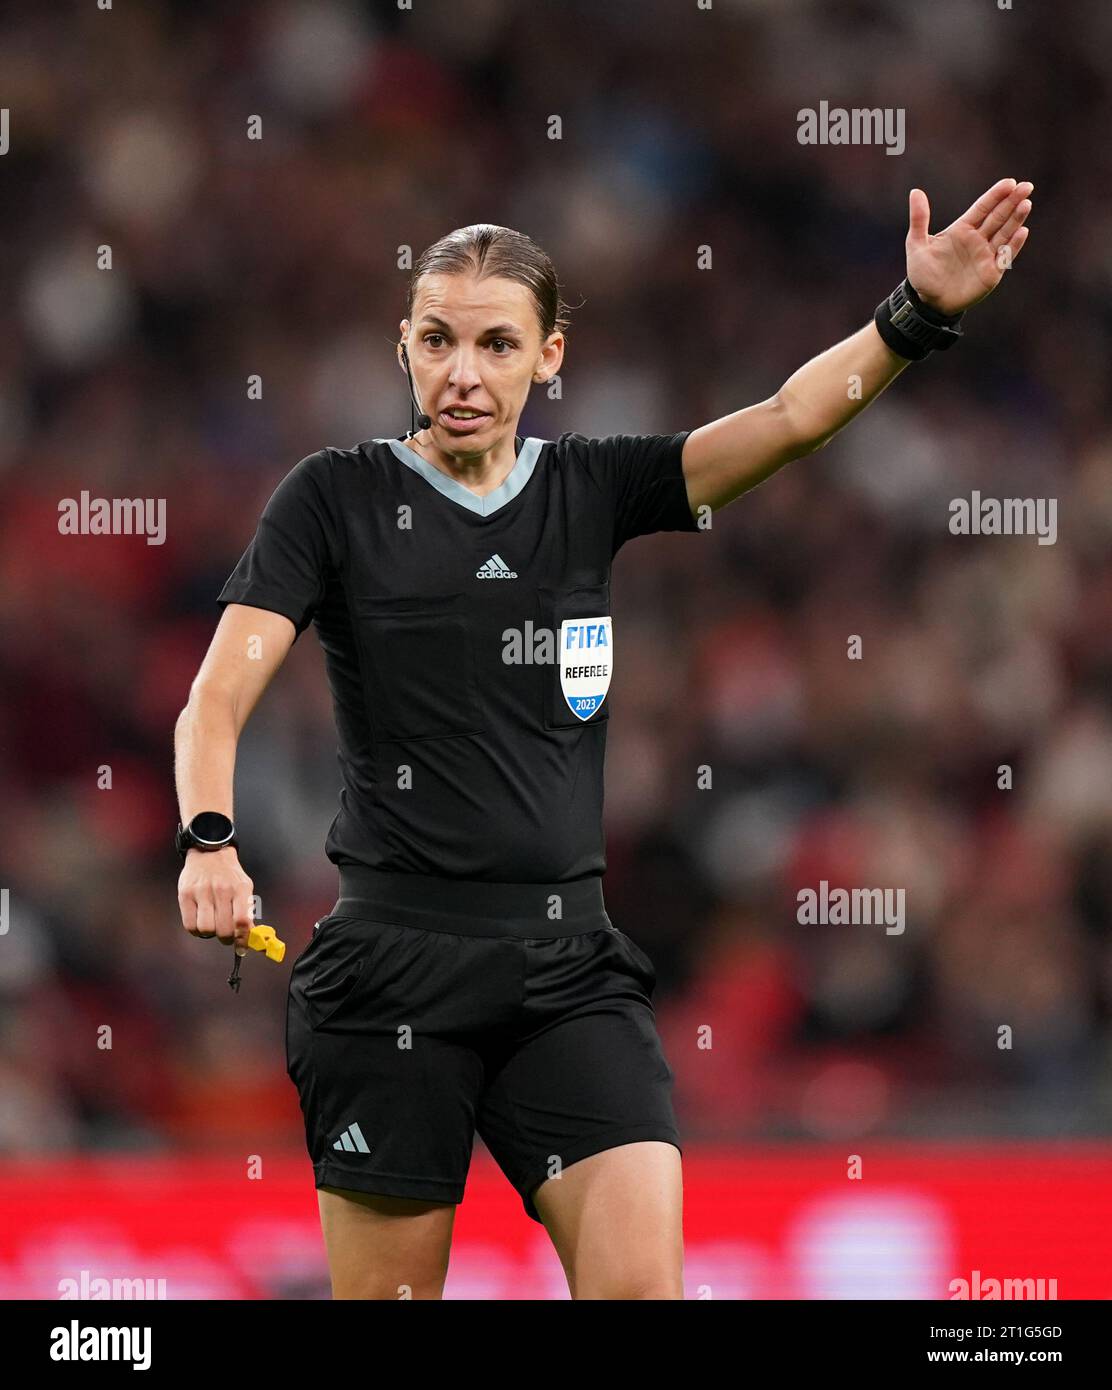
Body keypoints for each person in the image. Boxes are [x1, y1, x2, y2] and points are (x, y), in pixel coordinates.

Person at [174, 182, 1033, 1300]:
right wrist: (207, 838)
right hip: (391, 974)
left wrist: (912, 317)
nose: (462, 373)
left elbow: (784, 418)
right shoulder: (333, 499)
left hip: (567, 970)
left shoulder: (589, 488)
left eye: (495, 343)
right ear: (403, 346)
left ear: (549, 356)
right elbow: (214, 699)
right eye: (436, 340)